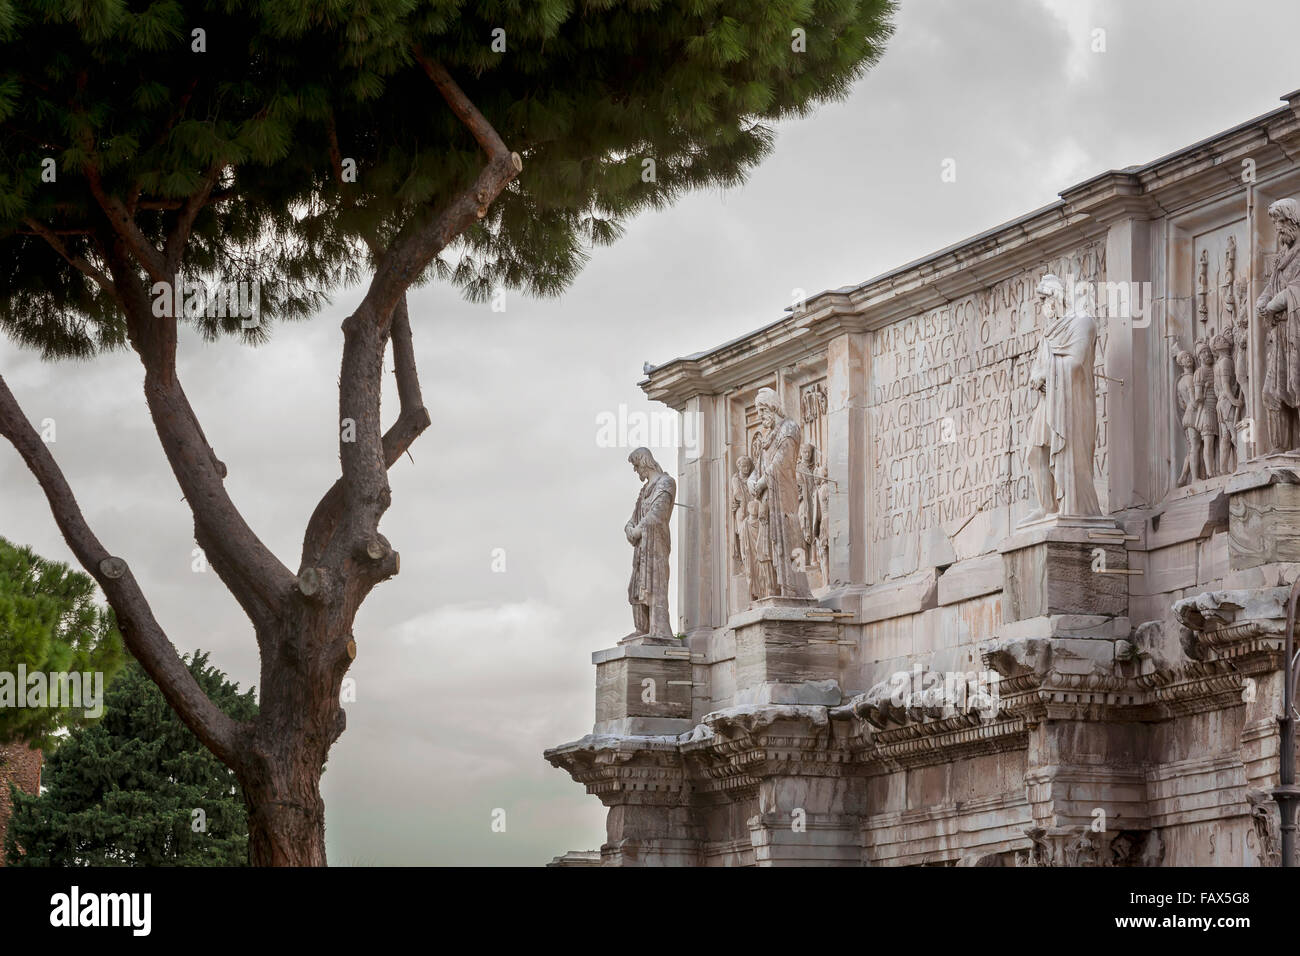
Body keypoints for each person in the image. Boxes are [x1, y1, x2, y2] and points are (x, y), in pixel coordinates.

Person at [1023, 273, 1101, 521]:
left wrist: (1047, 373)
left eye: (1045, 299)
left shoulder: (1082, 323)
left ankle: (1070, 505)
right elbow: (1038, 364)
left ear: (1056, 297)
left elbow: (1077, 362)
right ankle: (1047, 507)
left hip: (1071, 403)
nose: (1044, 307)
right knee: (1035, 452)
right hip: (1049, 400)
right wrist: (1037, 377)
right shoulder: (1049, 333)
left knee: (1066, 452)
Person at [624, 447, 675, 638]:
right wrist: (629, 528)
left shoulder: (666, 483)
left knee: (654, 585)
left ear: (644, 462)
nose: (636, 471)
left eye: (637, 466)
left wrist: (637, 530)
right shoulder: (644, 490)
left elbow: (657, 514)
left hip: (656, 544)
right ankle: (641, 628)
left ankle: (659, 630)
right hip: (641, 547)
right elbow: (633, 517)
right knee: (636, 586)